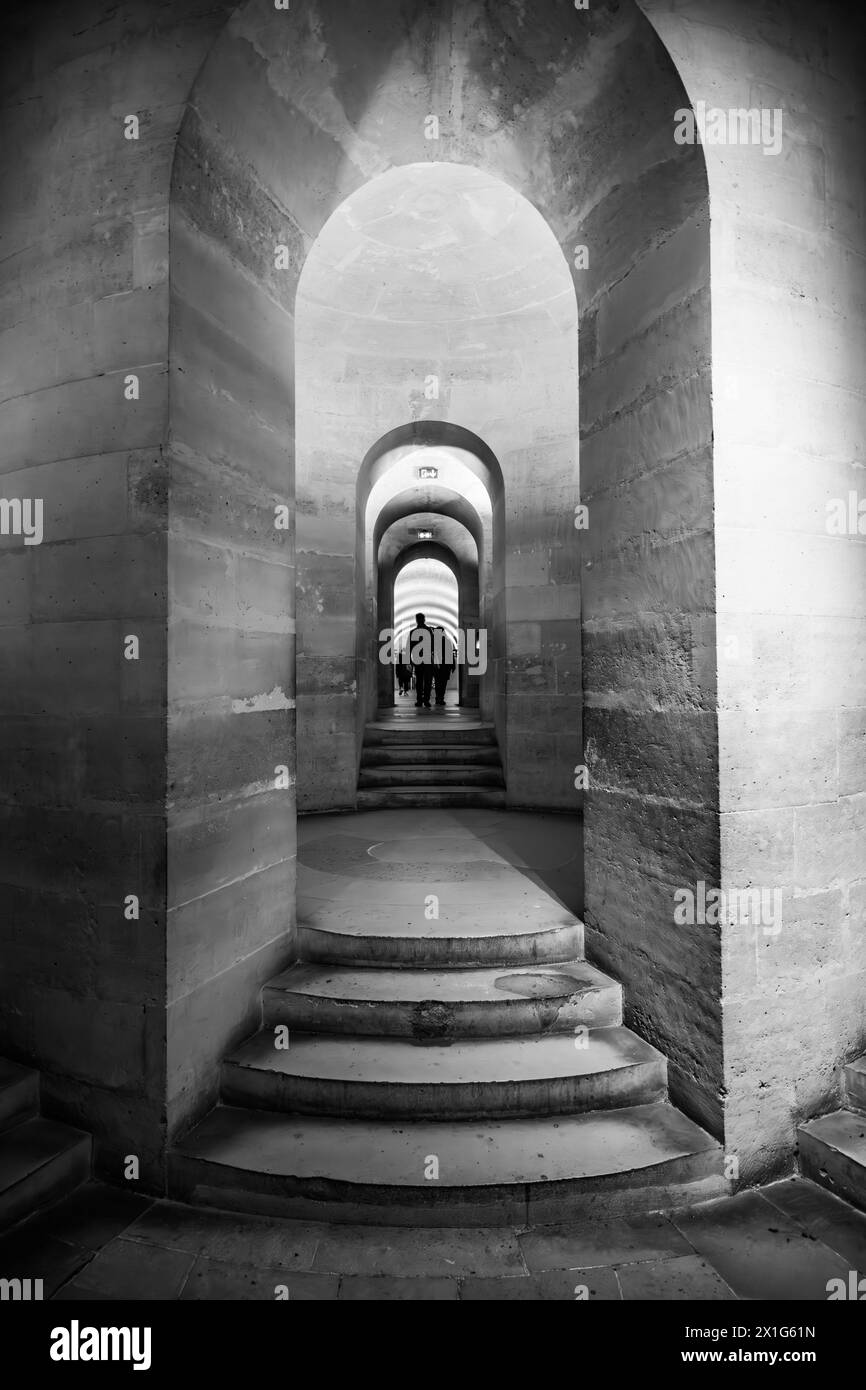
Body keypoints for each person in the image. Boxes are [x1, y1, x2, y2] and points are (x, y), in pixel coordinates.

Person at [408, 612, 434, 708]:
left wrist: (410, 661)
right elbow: (433, 646)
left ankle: (419, 700)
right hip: (427, 659)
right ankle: (426, 700)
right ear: (424, 619)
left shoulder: (412, 632)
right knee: (428, 680)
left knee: (419, 680)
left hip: (417, 659)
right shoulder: (429, 631)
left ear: (416, 620)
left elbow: (409, 647)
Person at [432, 626, 456, 706]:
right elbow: (450, 654)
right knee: (443, 683)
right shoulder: (446, 641)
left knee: (438, 683)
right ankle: (441, 698)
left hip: (438, 666)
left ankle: (438, 698)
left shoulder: (434, 642)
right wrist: (453, 666)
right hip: (445, 666)